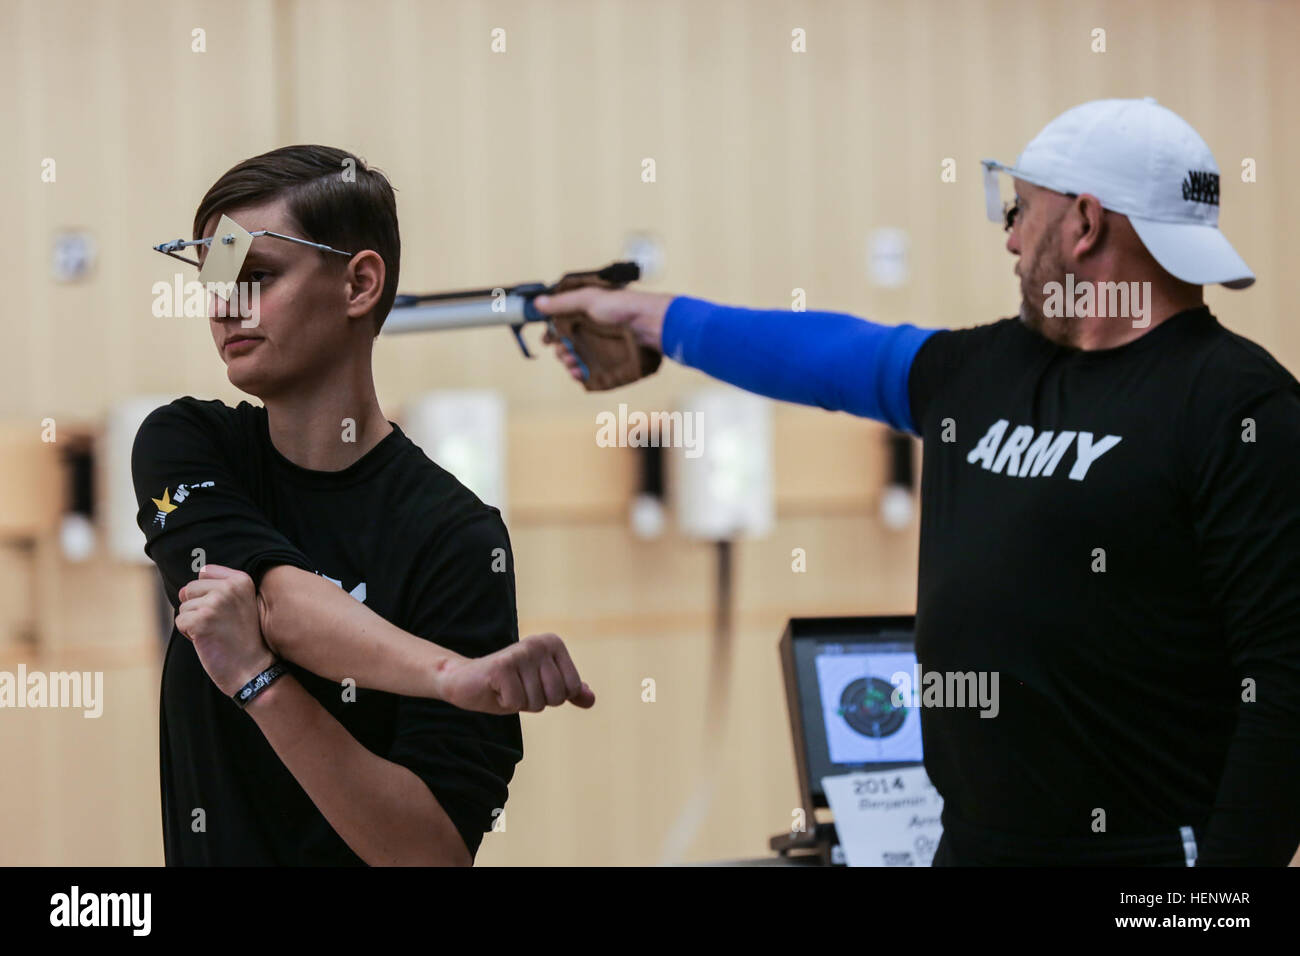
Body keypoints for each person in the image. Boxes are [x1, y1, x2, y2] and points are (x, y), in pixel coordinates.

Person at [536, 98, 1300, 866]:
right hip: (974, 849)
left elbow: (1287, 679)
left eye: (1020, 211)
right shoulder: (987, 371)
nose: (1008, 238)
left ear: (1086, 223)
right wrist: (639, 317)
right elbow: (829, 354)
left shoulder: (1240, 407)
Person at [134, 145, 593, 866]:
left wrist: (260, 681)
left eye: (257, 277)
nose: (226, 305)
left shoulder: (458, 538)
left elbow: (429, 857)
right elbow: (277, 602)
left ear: (359, 284)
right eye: (217, 281)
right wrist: (449, 674)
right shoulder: (187, 445)